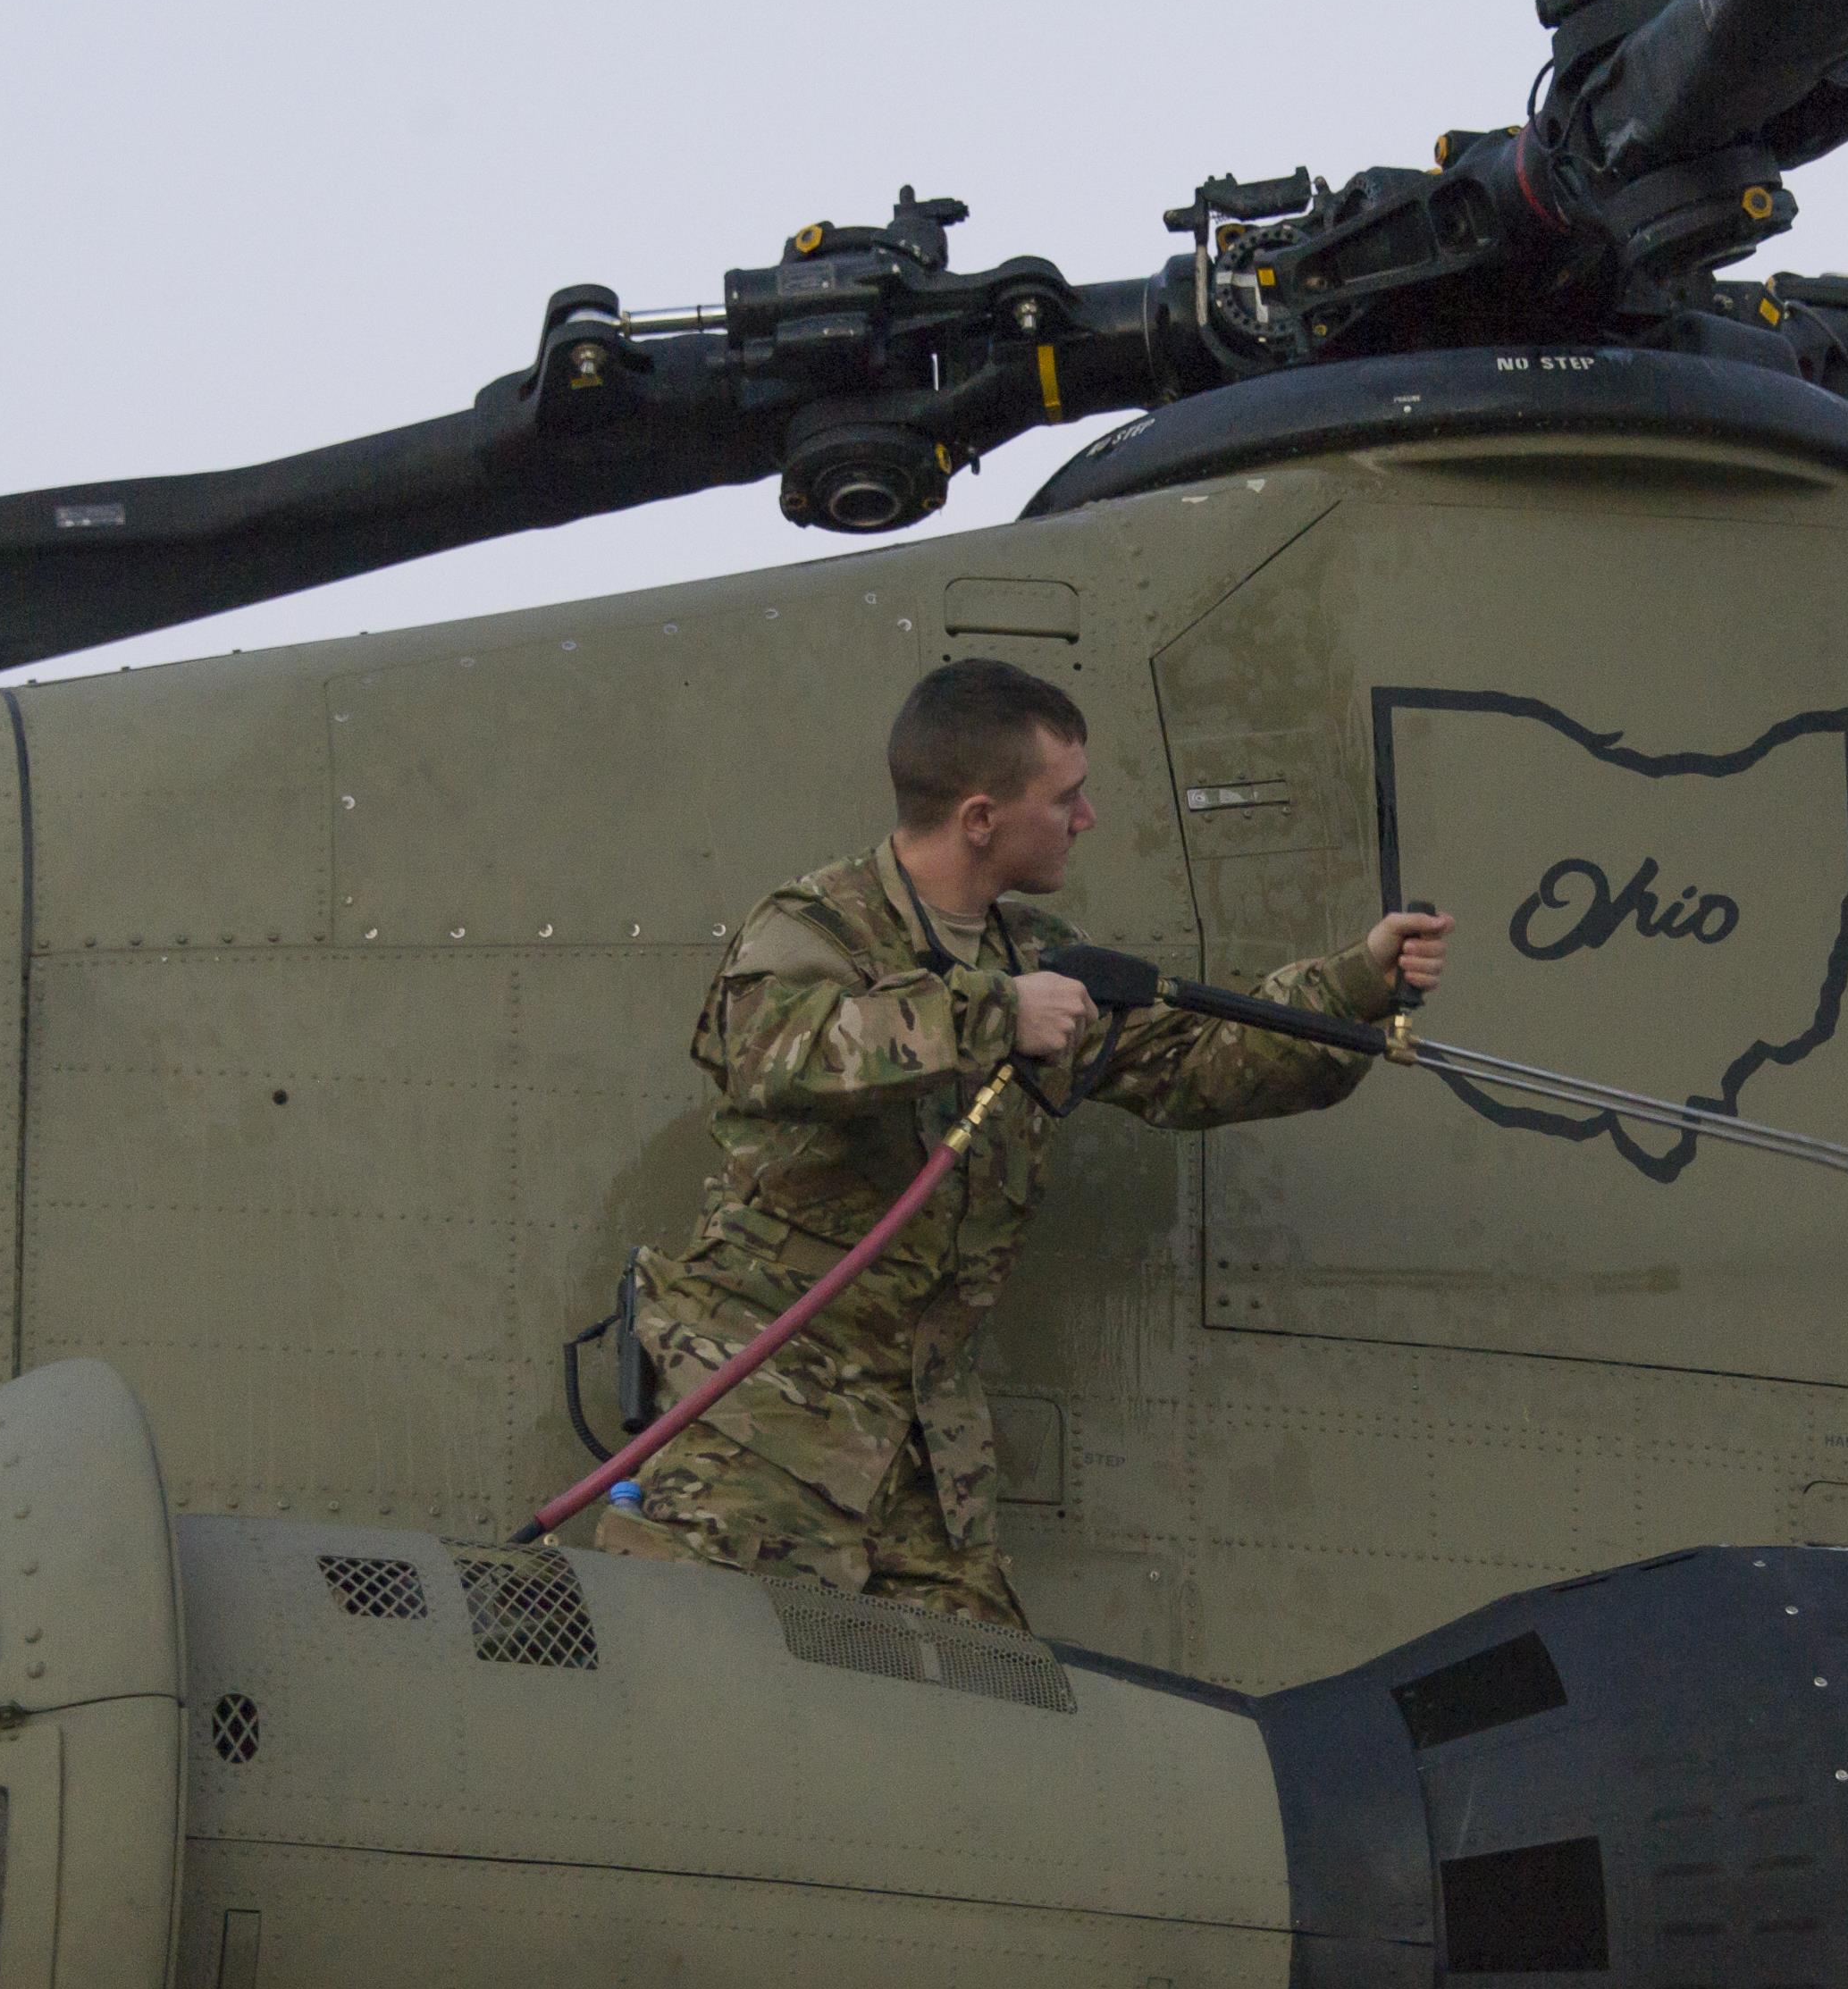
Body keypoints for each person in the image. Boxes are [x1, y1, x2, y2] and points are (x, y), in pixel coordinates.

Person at [599, 658, 1451, 1625]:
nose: (1085, 819)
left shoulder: (1037, 953)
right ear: (979, 818)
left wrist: (1353, 987)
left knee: (978, 1717)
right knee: (723, 1686)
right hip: (768, 1421)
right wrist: (990, 1016)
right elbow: (763, 1049)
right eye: (1067, 798)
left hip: (924, 1453)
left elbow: (1192, 1063)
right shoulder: (818, 927)